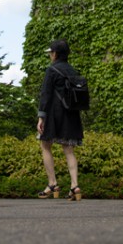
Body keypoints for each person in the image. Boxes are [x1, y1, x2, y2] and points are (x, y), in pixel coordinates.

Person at [35, 39, 84, 201]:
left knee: (45, 145)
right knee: (69, 149)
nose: (50, 55)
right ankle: (74, 186)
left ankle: (52, 183)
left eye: (50, 52)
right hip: (71, 114)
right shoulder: (72, 70)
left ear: (55, 54)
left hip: (54, 114)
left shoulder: (52, 70)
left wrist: (41, 117)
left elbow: (46, 94)